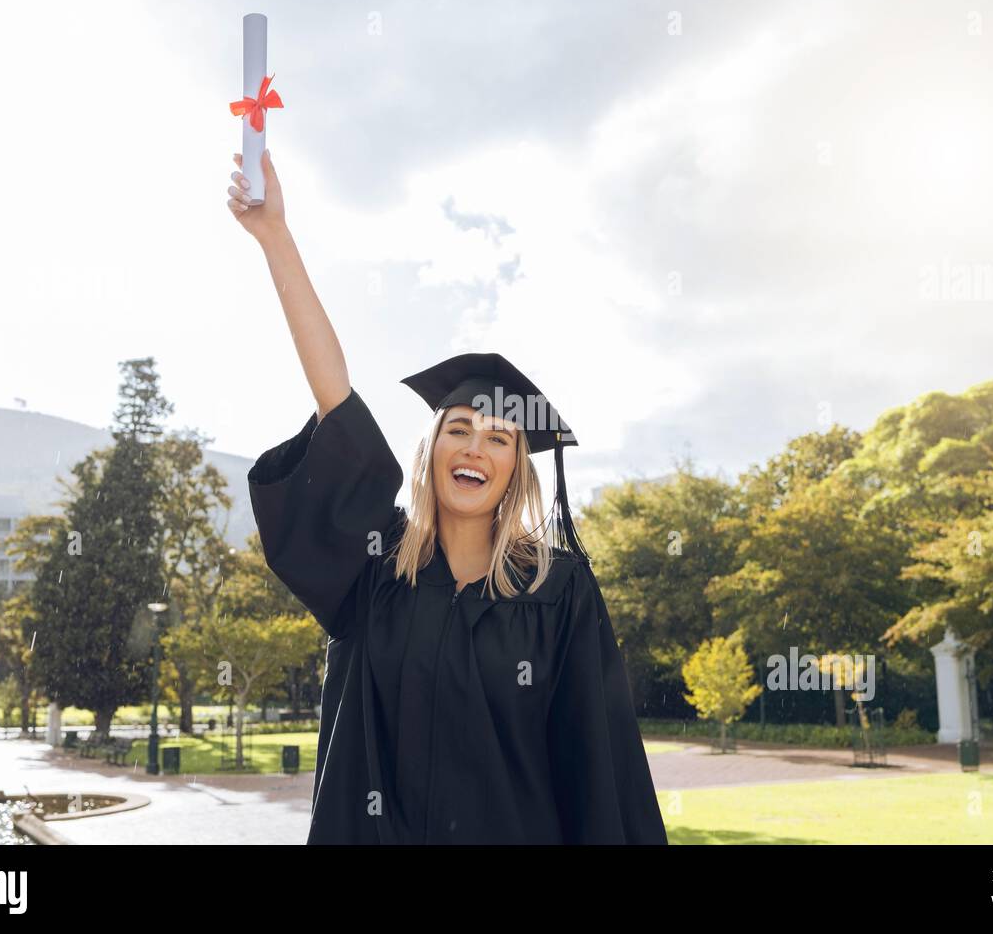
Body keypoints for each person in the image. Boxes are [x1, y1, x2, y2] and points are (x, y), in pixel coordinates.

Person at [228, 150, 667, 844]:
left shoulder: (558, 592)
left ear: (516, 467)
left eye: (498, 438)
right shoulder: (374, 572)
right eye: (458, 429)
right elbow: (334, 395)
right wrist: (275, 235)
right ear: (431, 454)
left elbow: (599, 765)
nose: (474, 448)